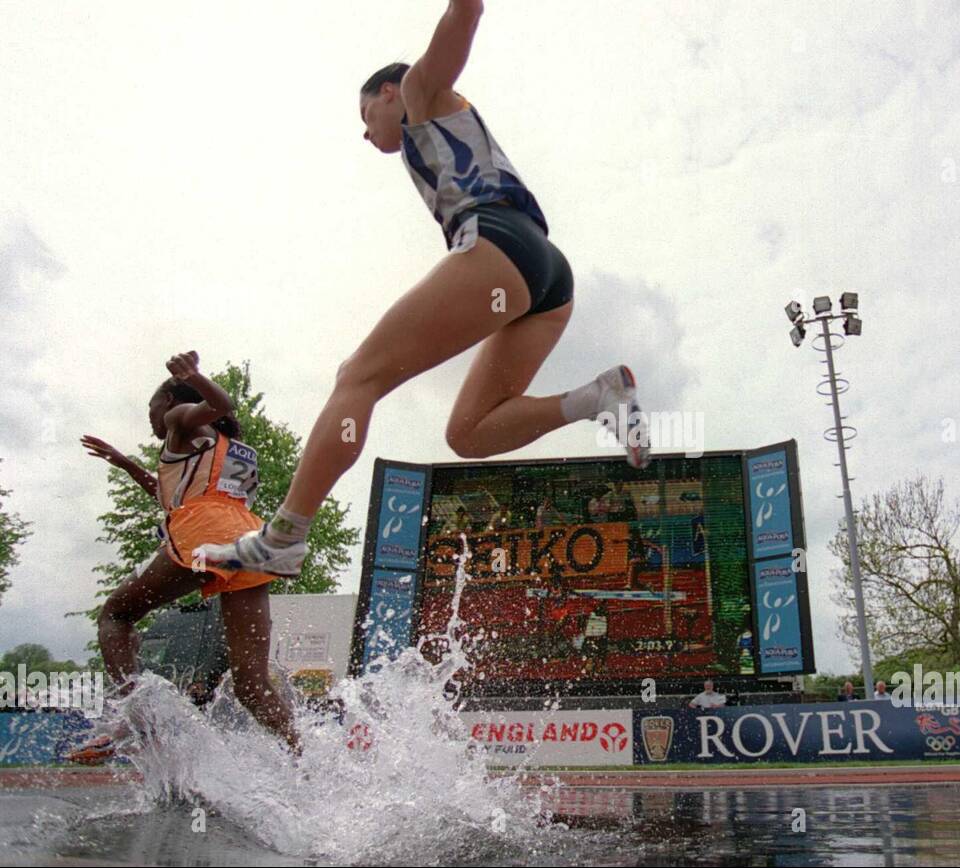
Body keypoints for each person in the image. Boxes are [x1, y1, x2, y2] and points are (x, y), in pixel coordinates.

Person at [201, 0, 650, 579]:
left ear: (389, 92)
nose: (366, 134)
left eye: (367, 116)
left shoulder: (419, 92)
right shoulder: (431, 124)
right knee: (467, 433)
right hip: (545, 282)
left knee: (358, 376)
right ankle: (597, 397)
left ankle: (285, 535)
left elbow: (464, 16)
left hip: (499, 244)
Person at [71, 352, 299, 762]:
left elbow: (221, 405)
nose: (151, 417)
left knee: (116, 616)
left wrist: (197, 378)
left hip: (207, 533)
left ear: (173, 400)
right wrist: (124, 463)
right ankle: (306, 759)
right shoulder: (227, 448)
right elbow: (172, 498)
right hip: (250, 543)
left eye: (151, 407)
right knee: (251, 685)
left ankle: (133, 718)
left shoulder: (180, 417)